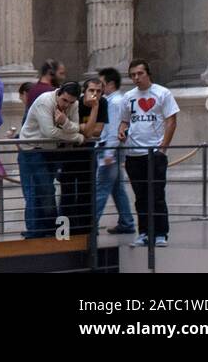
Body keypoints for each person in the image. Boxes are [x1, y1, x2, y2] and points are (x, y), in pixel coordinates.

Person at [118, 59, 178, 247]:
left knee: (157, 194)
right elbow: (125, 121)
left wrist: (163, 149)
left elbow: (171, 120)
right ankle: (143, 232)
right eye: (132, 75)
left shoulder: (162, 93)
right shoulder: (128, 97)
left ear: (148, 73)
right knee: (140, 196)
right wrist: (122, 130)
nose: (136, 78)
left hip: (154, 152)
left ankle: (161, 233)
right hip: (133, 153)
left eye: (139, 73)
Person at [18, 82, 83, 238]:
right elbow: (49, 132)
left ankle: (41, 229)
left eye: (71, 102)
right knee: (45, 189)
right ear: (58, 93)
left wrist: (65, 123)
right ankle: (45, 228)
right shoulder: (44, 101)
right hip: (33, 148)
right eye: (64, 100)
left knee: (43, 190)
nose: (67, 105)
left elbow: (76, 125)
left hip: (51, 148)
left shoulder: (74, 104)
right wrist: (76, 137)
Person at [58, 76, 107, 237]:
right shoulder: (75, 103)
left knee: (87, 192)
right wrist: (83, 129)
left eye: (98, 91)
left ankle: (86, 231)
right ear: (84, 91)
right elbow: (71, 129)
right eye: (91, 90)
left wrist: (94, 109)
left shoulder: (102, 104)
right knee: (68, 194)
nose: (95, 94)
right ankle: (64, 232)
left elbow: (97, 131)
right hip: (70, 154)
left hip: (88, 153)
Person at [94, 66, 136, 235]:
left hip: (109, 149)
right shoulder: (114, 101)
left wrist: (109, 154)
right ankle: (127, 221)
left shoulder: (114, 102)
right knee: (117, 188)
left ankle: (91, 223)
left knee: (101, 188)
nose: (99, 87)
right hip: (111, 149)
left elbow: (113, 129)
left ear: (110, 84)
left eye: (102, 83)